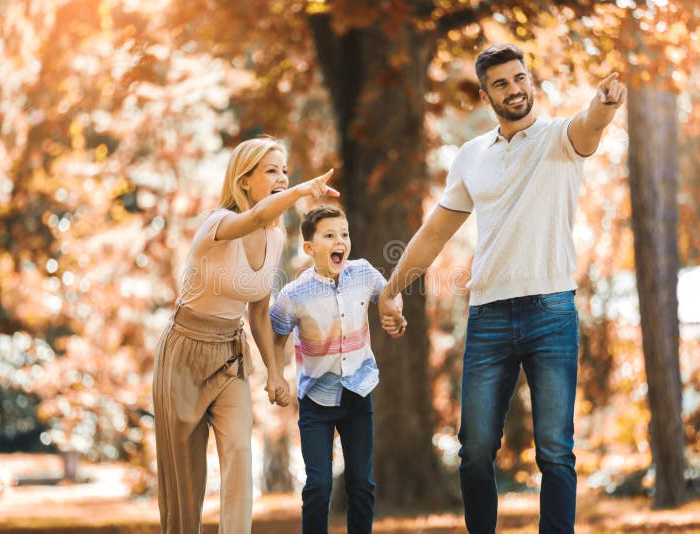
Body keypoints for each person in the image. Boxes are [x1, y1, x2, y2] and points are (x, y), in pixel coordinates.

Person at [378, 44, 626, 533]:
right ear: (486, 93)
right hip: (488, 315)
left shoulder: (559, 138)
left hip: (551, 311)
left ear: (530, 79)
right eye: (502, 83)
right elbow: (434, 232)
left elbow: (589, 125)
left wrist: (605, 104)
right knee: (473, 453)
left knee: (555, 451)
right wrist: (392, 288)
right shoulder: (472, 156)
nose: (515, 89)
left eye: (520, 78)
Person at [152, 136, 338, 533]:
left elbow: (258, 310)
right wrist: (303, 191)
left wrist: (274, 371)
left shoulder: (275, 236)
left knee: (239, 455)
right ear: (244, 179)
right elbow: (253, 218)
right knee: (186, 486)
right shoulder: (217, 224)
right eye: (272, 171)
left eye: (285, 171)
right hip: (184, 353)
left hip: (229, 357)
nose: (283, 178)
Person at [269, 206, 404, 534]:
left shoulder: (364, 274)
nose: (339, 241)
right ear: (310, 248)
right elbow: (275, 337)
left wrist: (394, 313)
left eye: (344, 234)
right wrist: (275, 375)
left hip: (358, 396)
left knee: (361, 483)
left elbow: (389, 296)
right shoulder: (293, 295)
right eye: (329, 235)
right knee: (317, 485)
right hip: (316, 400)